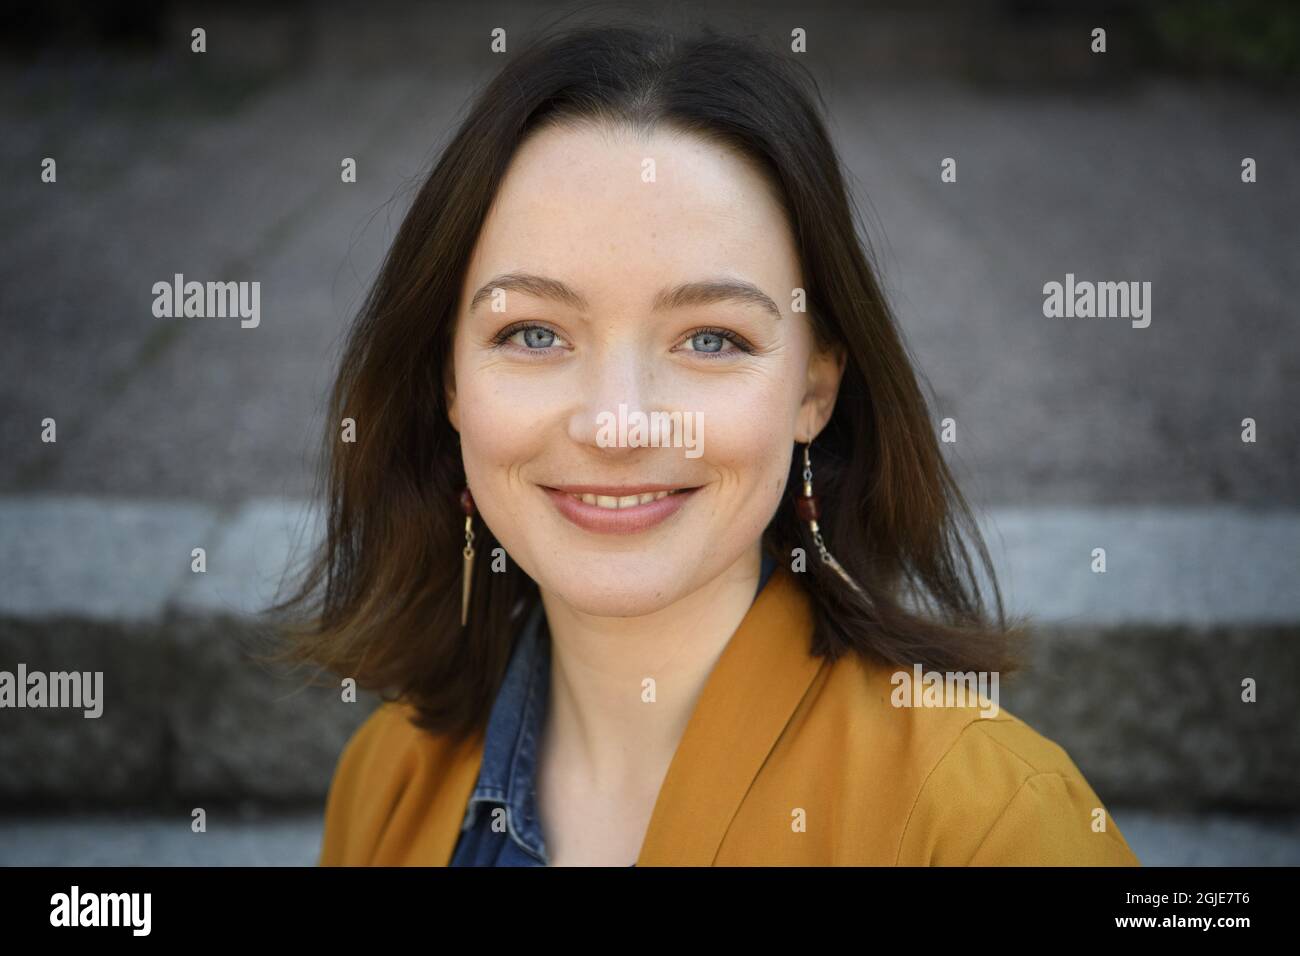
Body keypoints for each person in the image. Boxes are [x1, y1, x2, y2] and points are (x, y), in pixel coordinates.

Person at [272, 20, 1140, 866]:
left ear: (814, 389)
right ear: (449, 384)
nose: (617, 424)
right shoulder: (387, 779)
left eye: (712, 339)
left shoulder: (991, 827)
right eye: (534, 333)